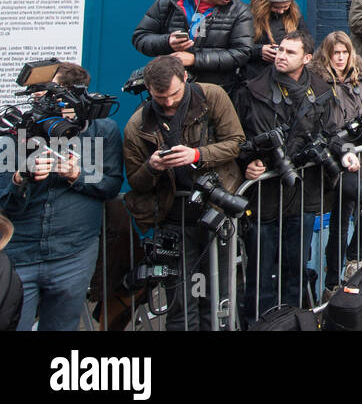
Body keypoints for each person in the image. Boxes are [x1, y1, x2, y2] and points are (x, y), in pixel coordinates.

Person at [121, 55, 245, 331]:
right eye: (159, 96)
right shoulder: (137, 125)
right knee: (180, 303)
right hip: (173, 220)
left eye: (174, 94)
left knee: (218, 297)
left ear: (185, 78)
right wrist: (152, 167)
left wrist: (198, 154)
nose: (167, 102)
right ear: (148, 88)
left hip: (216, 213)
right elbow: (136, 181)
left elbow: (236, 143)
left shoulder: (212, 96)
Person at [0, 62, 123, 331]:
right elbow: (4, 204)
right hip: (20, 253)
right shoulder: (17, 131)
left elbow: (111, 185)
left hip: (73, 253)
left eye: (49, 93)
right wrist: (20, 179)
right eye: (38, 93)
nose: (39, 98)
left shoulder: (102, 130)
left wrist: (77, 175)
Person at [234, 30, 334, 319]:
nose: (281, 56)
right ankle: (258, 322)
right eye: (280, 50)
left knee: (296, 266)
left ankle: (293, 320)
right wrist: (247, 163)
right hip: (264, 195)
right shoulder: (251, 90)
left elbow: (329, 133)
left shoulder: (321, 90)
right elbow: (236, 139)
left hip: (303, 192)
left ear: (307, 58)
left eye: (290, 52)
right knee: (261, 268)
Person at [310, 31, 362, 289]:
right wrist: (343, 150)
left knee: (344, 218)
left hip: (359, 155)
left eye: (344, 52)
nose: (340, 58)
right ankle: (346, 264)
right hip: (333, 158)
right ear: (327, 55)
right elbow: (323, 127)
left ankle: (338, 277)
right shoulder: (317, 82)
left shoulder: (360, 77)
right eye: (335, 53)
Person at [132, 0, 253, 94]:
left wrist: (195, 59)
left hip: (213, 92)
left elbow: (242, 53)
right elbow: (140, 38)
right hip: (169, 90)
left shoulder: (240, 12)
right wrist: (167, 42)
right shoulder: (168, 3)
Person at [244, 0, 307, 84]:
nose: (281, 11)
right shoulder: (248, 14)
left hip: (286, 77)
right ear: (266, 2)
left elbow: (306, 42)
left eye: (286, 6)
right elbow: (237, 47)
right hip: (256, 77)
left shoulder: (295, 15)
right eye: (276, 7)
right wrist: (259, 51)